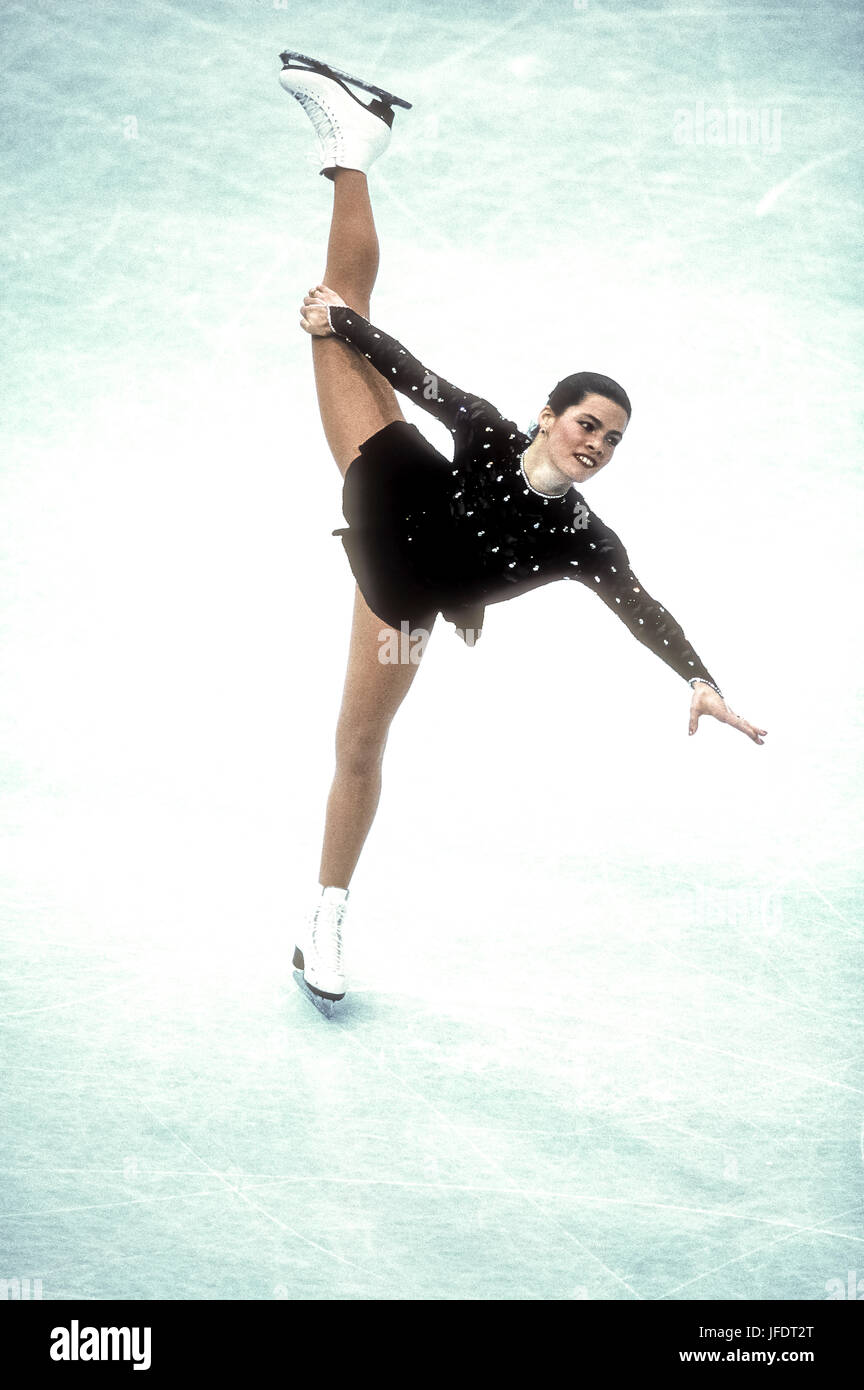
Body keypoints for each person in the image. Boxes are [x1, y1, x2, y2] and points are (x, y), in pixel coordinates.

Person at [277, 52, 767, 1008]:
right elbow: (421, 381)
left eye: (614, 441)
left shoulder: (582, 540)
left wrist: (701, 679)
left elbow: (643, 608)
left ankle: (325, 917)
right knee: (342, 311)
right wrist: (341, 325)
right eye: (588, 424)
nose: (598, 446)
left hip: (403, 600)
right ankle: (355, 145)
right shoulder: (495, 431)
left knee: (359, 750)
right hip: (385, 481)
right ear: (551, 417)